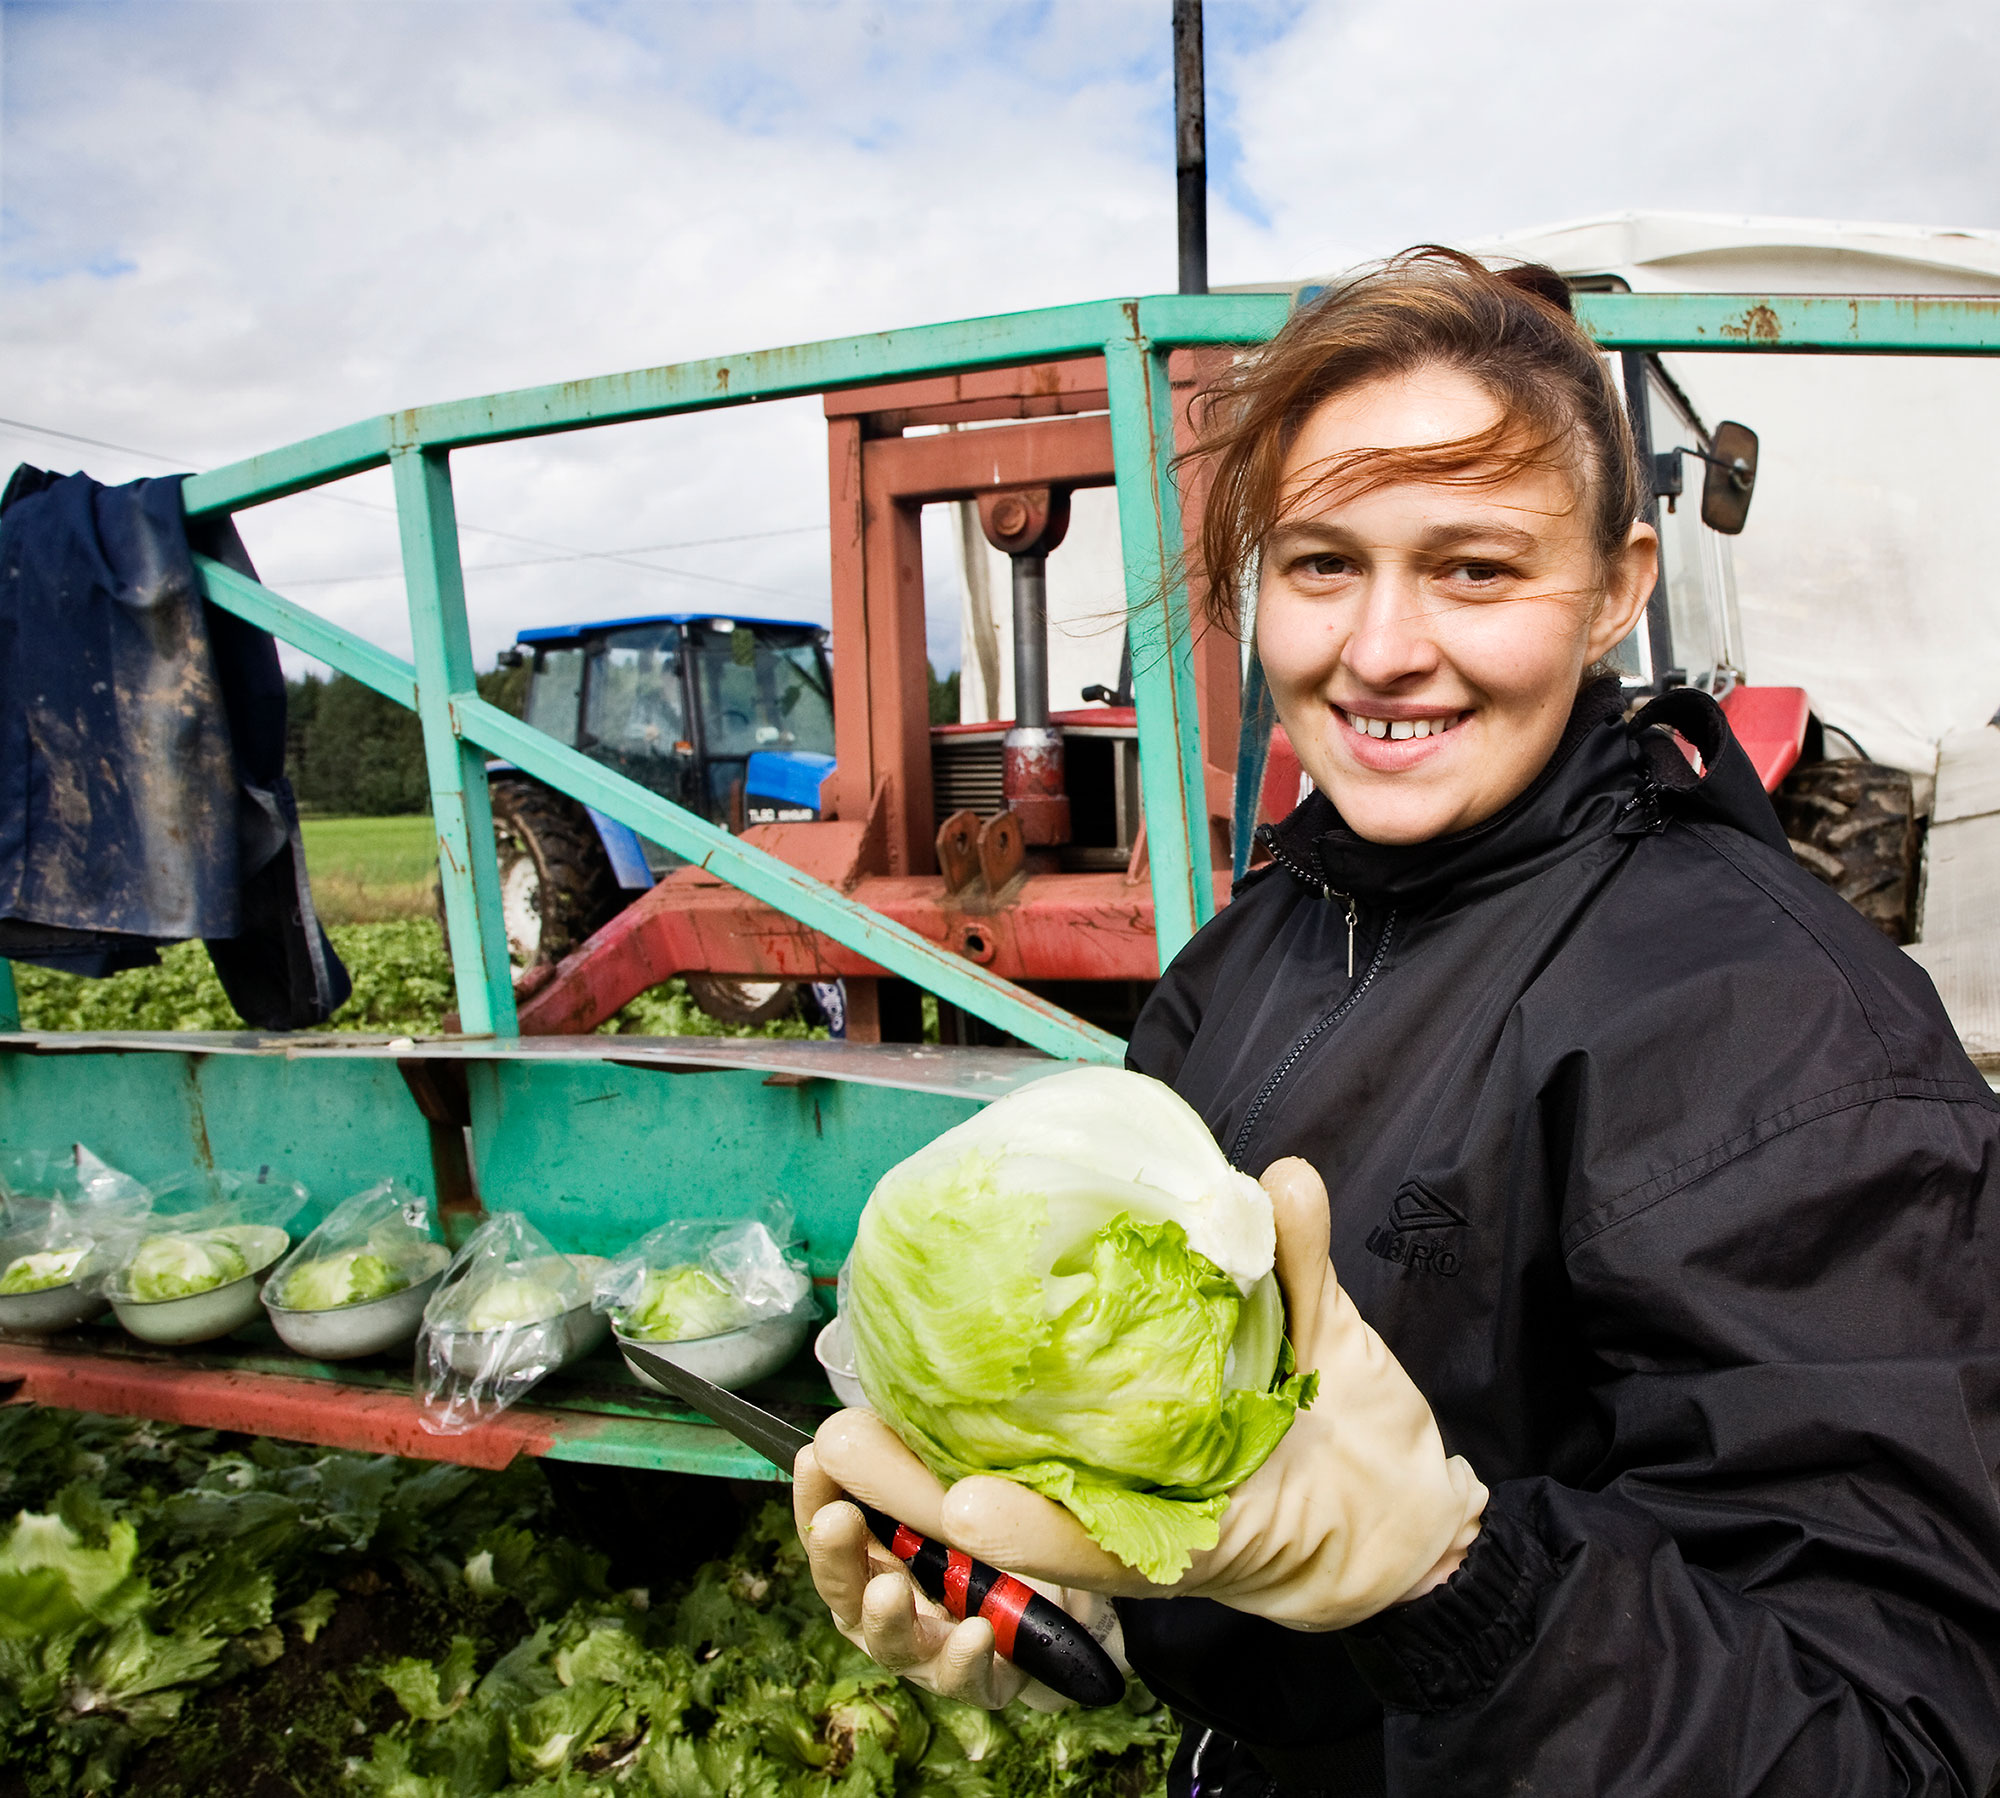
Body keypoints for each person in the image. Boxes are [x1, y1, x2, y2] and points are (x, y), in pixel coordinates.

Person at [792, 247, 2000, 1794]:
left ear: (1619, 589)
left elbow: (1903, 1745)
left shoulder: (1781, 1035)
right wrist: (1073, 1564)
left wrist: (1455, 1588)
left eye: (1475, 568)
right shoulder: (1252, 955)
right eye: (1319, 564)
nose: (1377, 648)